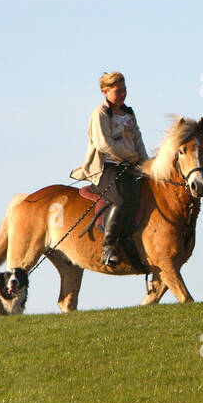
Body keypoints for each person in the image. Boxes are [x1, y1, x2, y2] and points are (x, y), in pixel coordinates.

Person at [70, 71, 147, 267]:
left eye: (124, 90)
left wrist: (146, 163)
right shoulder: (100, 114)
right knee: (120, 199)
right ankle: (108, 247)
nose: (122, 94)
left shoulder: (129, 113)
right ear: (105, 92)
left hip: (130, 166)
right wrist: (131, 156)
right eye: (117, 91)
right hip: (106, 167)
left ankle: (130, 240)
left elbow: (137, 139)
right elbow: (104, 144)